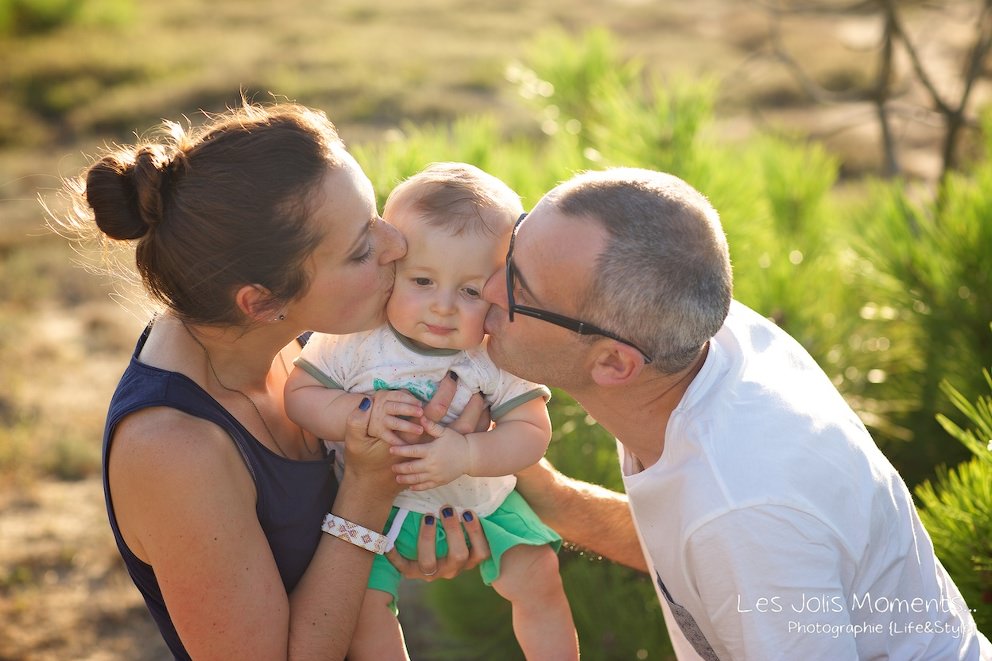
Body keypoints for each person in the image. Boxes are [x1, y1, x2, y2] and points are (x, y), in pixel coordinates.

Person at [472, 167, 992, 659]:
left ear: (613, 361)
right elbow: (703, 558)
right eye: (516, 242)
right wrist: (545, 495)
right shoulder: (696, 341)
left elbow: (731, 535)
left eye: (520, 288)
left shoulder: (748, 512)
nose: (489, 287)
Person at [53, 102, 492, 660]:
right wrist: (369, 495)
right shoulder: (172, 449)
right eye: (361, 250)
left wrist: (431, 505)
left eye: (375, 214)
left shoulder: (320, 337)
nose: (396, 246)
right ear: (263, 302)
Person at [285, 162, 579, 660]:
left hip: (481, 502)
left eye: (469, 291)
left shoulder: (494, 354)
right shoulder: (356, 341)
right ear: (390, 269)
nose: (443, 307)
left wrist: (467, 451)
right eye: (422, 281)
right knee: (363, 610)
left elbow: (531, 430)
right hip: (376, 512)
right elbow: (300, 396)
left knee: (539, 575)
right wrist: (357, 412)